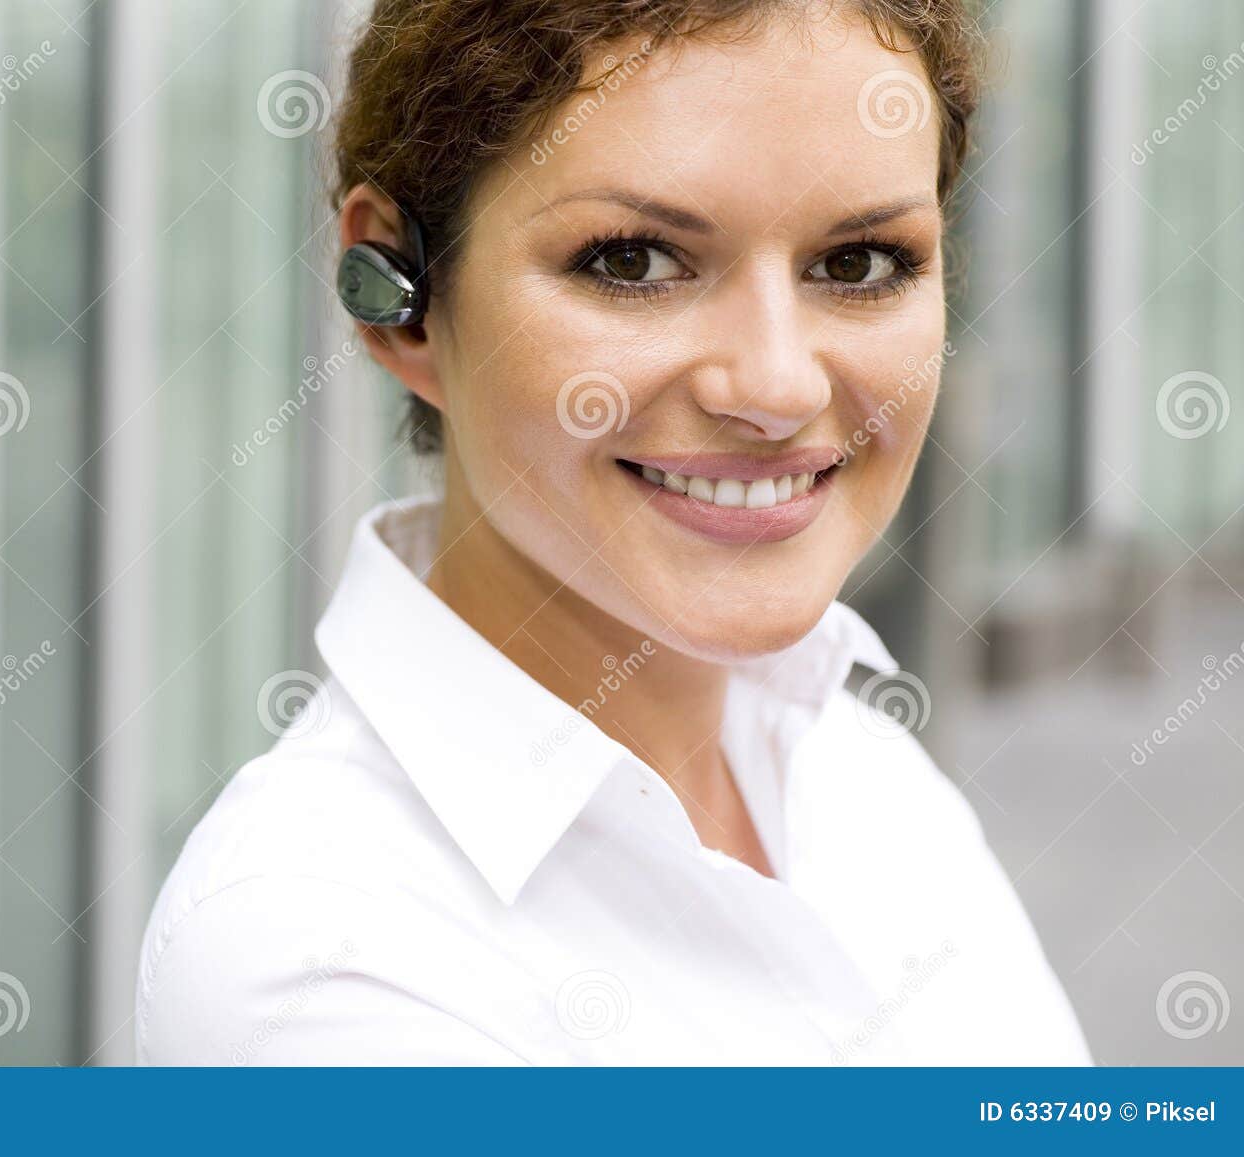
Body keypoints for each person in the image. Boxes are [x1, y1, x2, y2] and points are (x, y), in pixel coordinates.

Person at [137, 0, 1091, 1065]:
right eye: (633, 261)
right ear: (399, 301)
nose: (774, 386)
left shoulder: (859, 766)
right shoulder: (319, 960)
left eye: (858, 264)